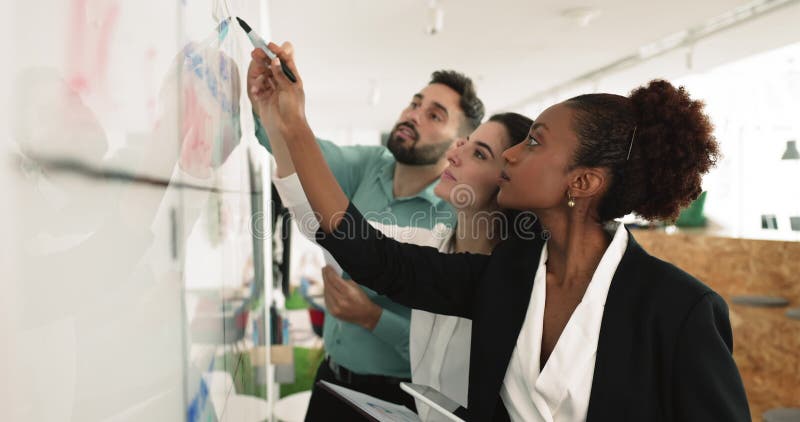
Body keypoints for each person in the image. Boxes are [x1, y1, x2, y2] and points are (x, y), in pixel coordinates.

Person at [250, 42, 751, 421]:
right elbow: (374, 255)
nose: (513, 154)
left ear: (582, 182)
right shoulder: (508, 276)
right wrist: (289, 123)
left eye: (534, 143)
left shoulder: (679, 310)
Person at [246, 46, 486, 416]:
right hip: (331, 377)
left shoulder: (457, 216)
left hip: (399, 397)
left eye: (434, 115)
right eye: (415, 104)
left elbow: (450, 347)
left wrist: (373, 318)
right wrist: (271, 107)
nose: (413, 116)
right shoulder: (370, 164)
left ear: (460, 143)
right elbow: (299, 156)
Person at [268, 111, 532, 420]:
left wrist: (294, 122)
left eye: (478, 153)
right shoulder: (430, 243)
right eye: (466, 143)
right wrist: (277, 120)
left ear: (509, 182)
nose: (454, 154)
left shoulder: (513, 284)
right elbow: (327, 226)